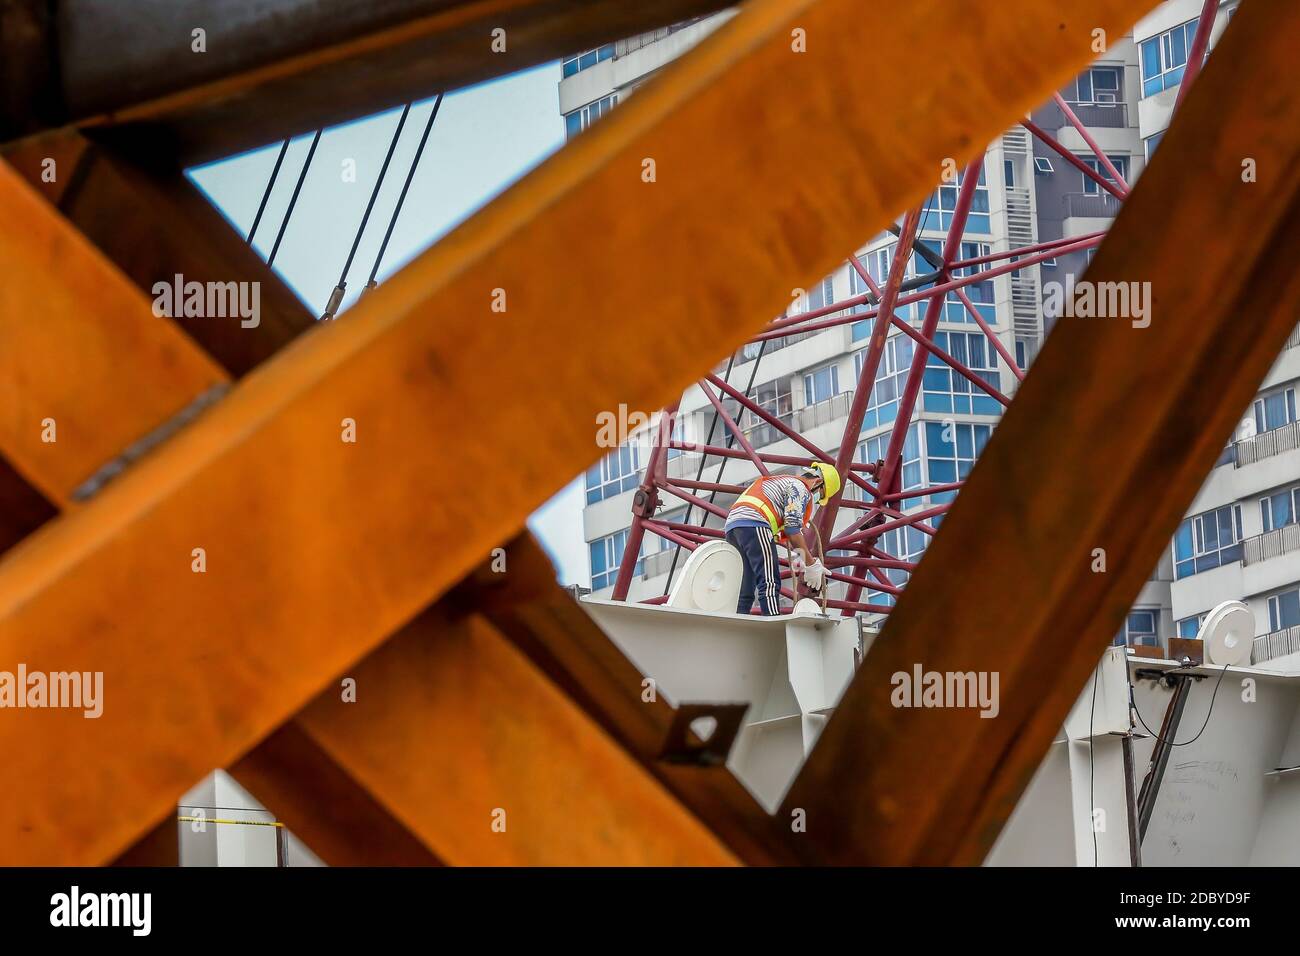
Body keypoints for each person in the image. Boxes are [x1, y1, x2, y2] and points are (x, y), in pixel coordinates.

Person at [723, 462, 840, 615]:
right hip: (755, 522)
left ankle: (735, 623)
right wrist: (811, 564)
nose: (815, 500)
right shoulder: (799, 488)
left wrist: (805, 561)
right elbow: (792, 530)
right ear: (817, 482)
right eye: (820, 495)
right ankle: (773, 624)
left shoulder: (782, 482)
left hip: (733, 527)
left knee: (745, 587)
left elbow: (791, 535)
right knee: (769, 581)